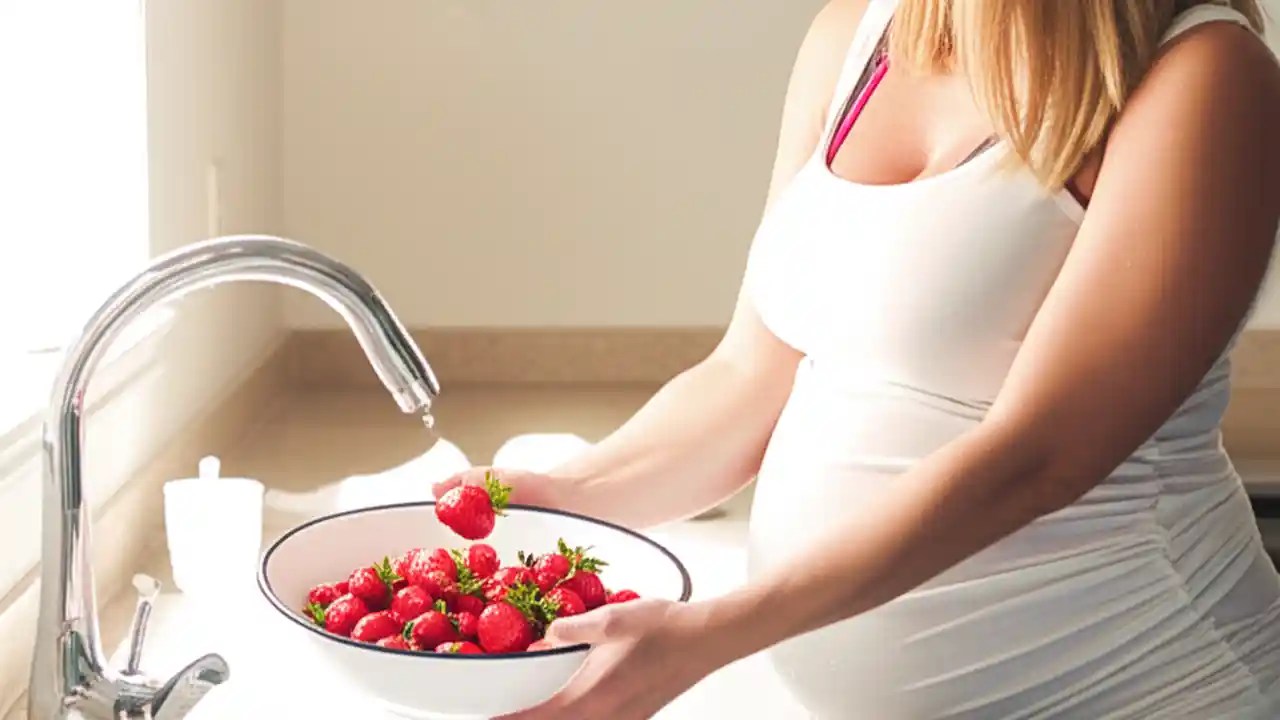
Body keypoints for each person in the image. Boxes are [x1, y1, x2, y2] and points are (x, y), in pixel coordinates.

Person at [434, 0, 1280, 717]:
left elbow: (1040, 457)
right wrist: (569, 494)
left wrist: (711, 636)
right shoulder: (861, 30)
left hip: (1151, 682)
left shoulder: (1205, 75)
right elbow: (748, 379)